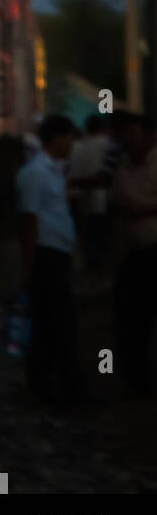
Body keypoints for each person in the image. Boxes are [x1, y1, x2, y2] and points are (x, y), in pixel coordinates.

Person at [15, 115, 87, 405]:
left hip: (56, 255)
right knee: (57, 325)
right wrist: (29, 268)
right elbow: (29, 221)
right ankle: (60, 389)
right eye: (69, 137)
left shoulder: (52, 171)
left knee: (52, 325)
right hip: (46, 257)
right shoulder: (36, 173)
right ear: (56, 139)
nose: (72, 143)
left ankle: (51, 387)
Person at [111, 110, 157, 395]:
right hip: (132, 255)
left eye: (132, 133)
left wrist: (138, 208)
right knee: (132, 320)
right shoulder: (122, 167)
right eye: (124, 134)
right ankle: (138, 381)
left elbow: (129, 204)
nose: (127, 139)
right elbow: (120, 202)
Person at [69, 115, 117, 273]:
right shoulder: (108, 144)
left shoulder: (78, 146)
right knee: (103, 237)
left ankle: (91, 267)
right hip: (105, 198)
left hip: (83, 198)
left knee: (89, 236)